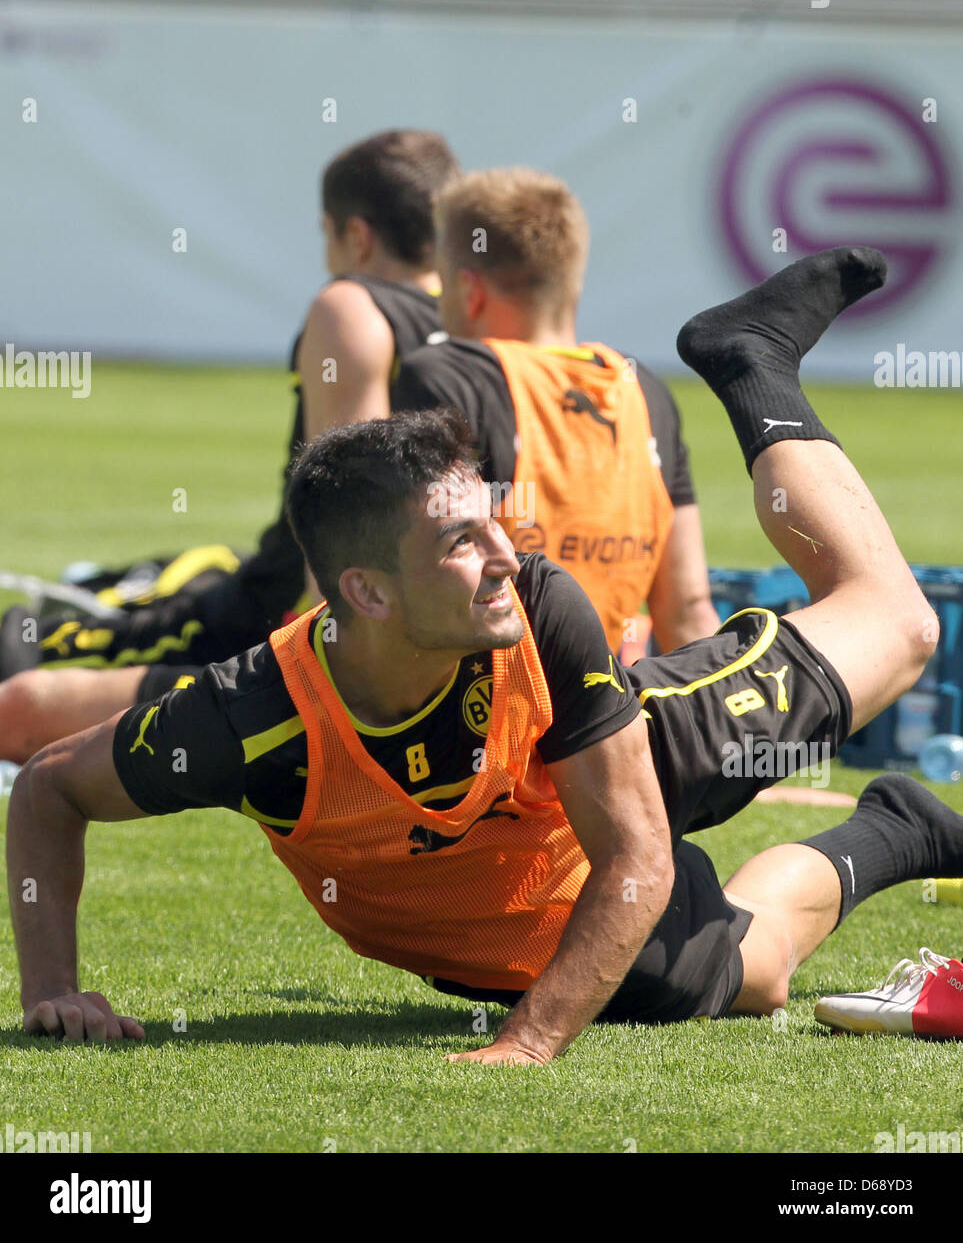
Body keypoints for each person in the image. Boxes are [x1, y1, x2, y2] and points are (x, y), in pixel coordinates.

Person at [10, 248, 963, 1062]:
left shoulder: (540, 604)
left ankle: (751, 362)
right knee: (755, 975)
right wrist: (54, 988)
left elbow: (632, 852)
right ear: (367, 593)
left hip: (613, 755)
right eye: (461, 540)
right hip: (521, 905)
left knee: (898, 623)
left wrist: (529, 1043)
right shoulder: (256, 716)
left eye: (493, 520)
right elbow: (51, 787)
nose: (506, 552)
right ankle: (901, 831)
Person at [0, 128, 457, 758]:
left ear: (357, 235)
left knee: (35, 643)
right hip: (416, 619)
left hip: (277, 619)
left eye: (325, 234)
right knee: (192, 569)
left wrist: (333, 693)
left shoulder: (353, 308)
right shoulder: (478, 316)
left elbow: (347, 526)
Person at [392, 166, 719, 656]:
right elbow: (688, 611)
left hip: (483, 716)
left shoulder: (444, 376)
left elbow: (410, 584)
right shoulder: (644, 392)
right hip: (603, 710)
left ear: (470, 289)